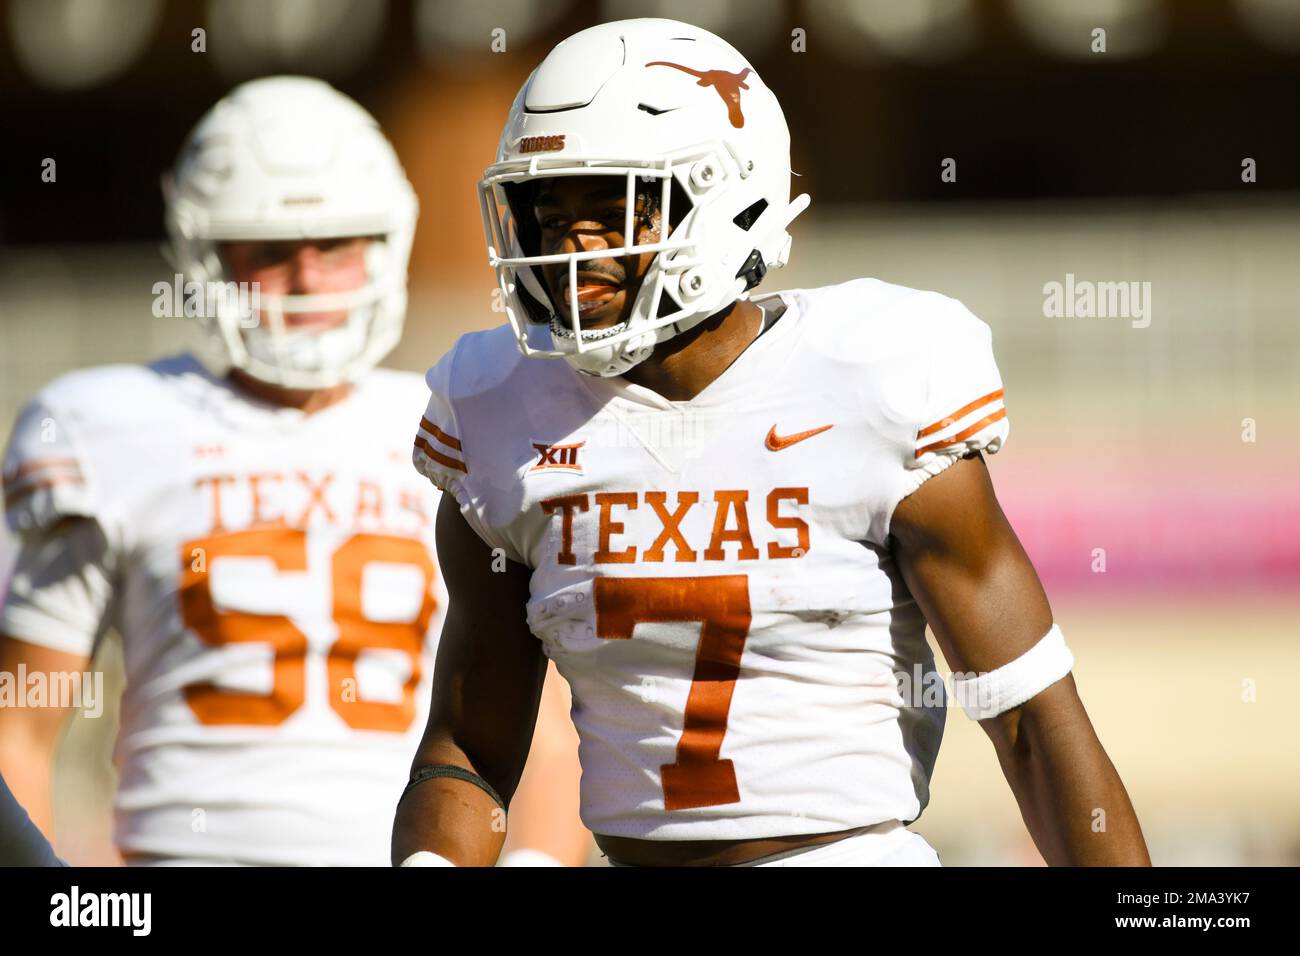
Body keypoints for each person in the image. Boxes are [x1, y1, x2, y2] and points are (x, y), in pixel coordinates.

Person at [392, 19, 1150, 868]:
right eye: (550, 212)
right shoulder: (501, 413)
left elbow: (1030, 721)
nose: (575, 247)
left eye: (611, 209)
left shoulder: (873, 384)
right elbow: (471, 746)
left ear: (726, 197)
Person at [0, 76, 584, 866]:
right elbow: (19, 727)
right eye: (269, 252)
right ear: (206, 254)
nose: (307, 279)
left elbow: (540, 733)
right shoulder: (103, 428)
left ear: (386, 245)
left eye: (336, 246)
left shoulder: (465, 420)